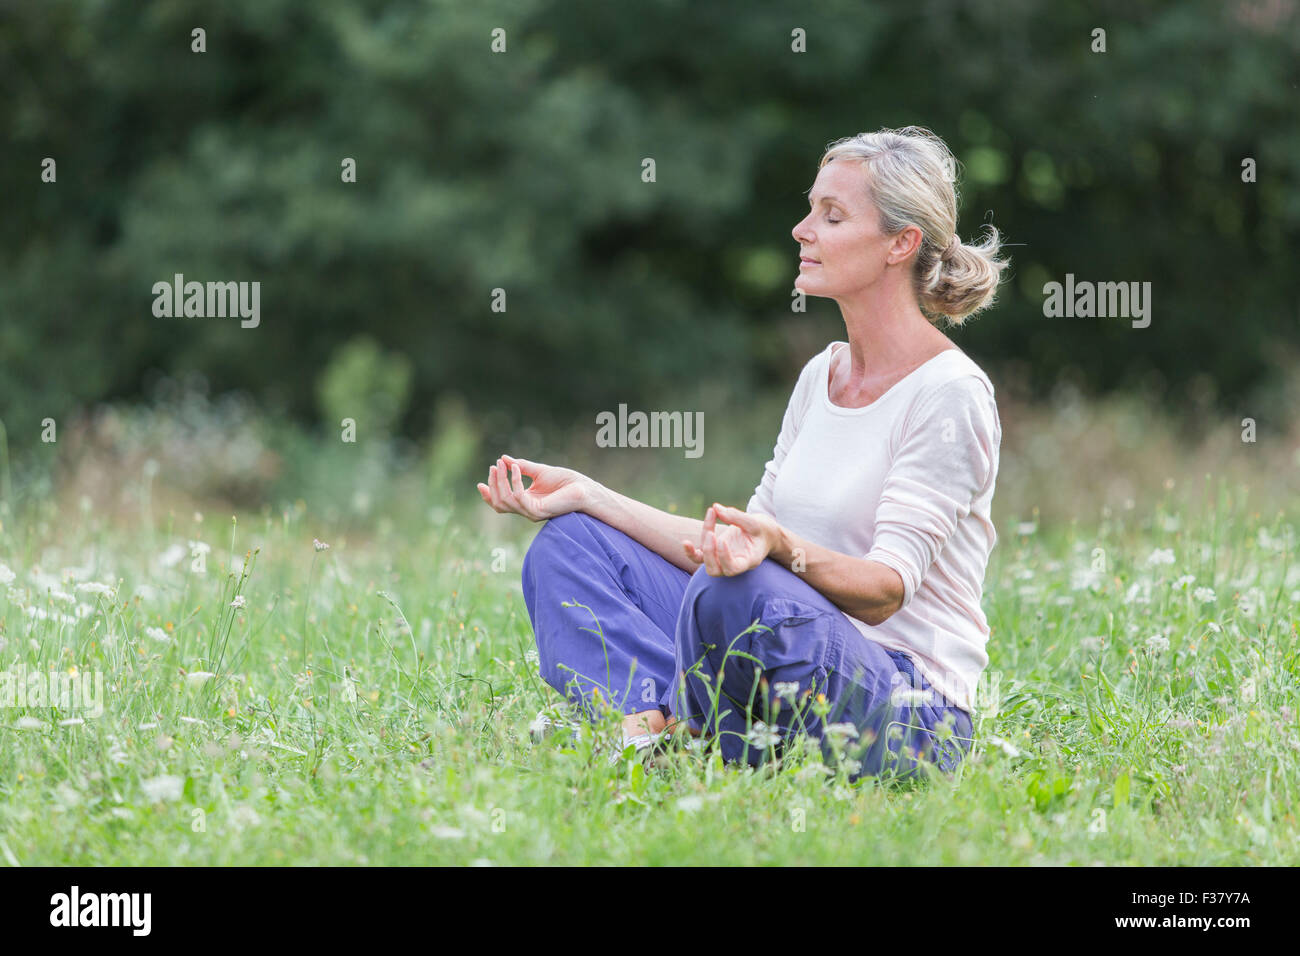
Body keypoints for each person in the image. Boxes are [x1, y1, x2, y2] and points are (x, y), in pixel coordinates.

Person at [478, 126, 1009, 780]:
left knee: (741, 589)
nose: (801, 229)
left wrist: (780, 548)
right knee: (573, 544)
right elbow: (729, 547)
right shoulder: (823, 374)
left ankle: (684, 735)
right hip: (781, 651)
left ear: (900, 244)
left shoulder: (948, 393)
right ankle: (653, 726)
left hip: (905, 712)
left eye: (832, 215)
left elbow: (884, 591)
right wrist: (591, 496)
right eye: (811, 207)